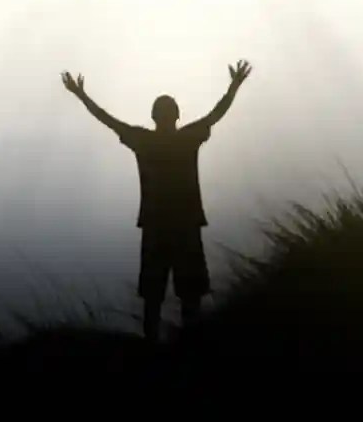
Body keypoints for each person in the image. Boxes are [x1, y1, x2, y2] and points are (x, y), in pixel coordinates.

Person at [61, 60, 252, 343]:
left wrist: (81, 95)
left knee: (154, 295)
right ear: (177, 115)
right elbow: (216, 114)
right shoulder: (187, 138)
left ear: (153, 116)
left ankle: (152, 347)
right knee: (190, 295)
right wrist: (234, 86)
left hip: (155, 226)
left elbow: (107, 120)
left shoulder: (143, 140)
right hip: (186, 225)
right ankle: (189, 347)